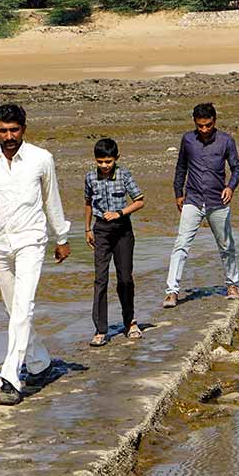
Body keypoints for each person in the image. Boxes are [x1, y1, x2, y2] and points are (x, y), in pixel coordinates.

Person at [0, 103, 71, 406]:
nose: (8, 136)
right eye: (3, 131)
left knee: (24, 308)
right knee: (13, 310)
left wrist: (61, 237)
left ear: (24, 128)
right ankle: (40, 363)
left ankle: (10, 377)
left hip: (31, 242)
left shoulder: (41, 159)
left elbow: (52, 200)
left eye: (14, 130)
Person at [164, 103, 239, 307]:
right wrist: (178, 193)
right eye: (200, 126)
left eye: (208, 125)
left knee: (226, 244)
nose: (205, 130)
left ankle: (232, 284)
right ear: (195, 123)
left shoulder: (226, 140)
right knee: (181, 245)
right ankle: (172, 291)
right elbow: (181, 167)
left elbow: (237, 168)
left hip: (218, 200)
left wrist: (231, 187)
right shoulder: (188, 140)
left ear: (214, 122)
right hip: (193, 199)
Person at [84, 138, 145, 346]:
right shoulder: (90, 177)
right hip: (100, 230)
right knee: (100, 279)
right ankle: (100, 329)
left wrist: (120, 213)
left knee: (125, 278)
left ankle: (130, 322)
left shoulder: (124, 175)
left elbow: (140, 201)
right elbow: (87, 204)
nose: (104, 166)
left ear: (116, 159)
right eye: (100, 162)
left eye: (108, 161)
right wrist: (87, 229)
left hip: (123, 231)